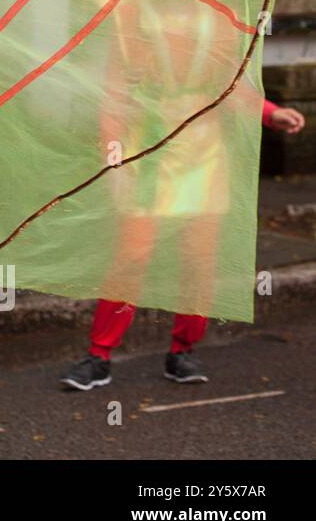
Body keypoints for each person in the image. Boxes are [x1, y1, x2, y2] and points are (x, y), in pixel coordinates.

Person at [62, 96, 306, 390]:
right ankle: (98, 356)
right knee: (130, 261)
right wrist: (112, 150)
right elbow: (116, 96)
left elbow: (234, 86)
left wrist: (271, 113)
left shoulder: (214, 48)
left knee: (198, 263)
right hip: (146, 163)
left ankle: (183, 352)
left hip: (202, 166)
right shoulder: (138, 48)